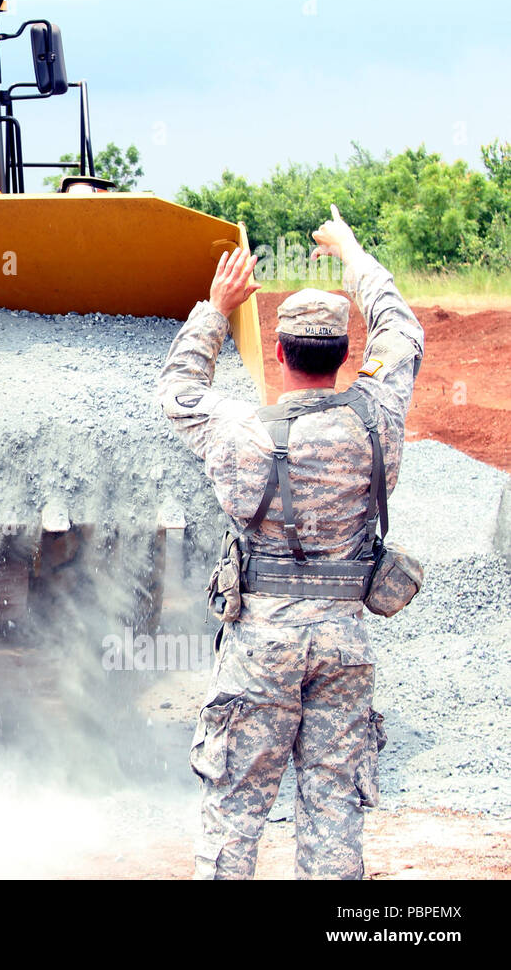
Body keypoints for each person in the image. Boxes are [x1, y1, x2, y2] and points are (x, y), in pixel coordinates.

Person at [156, 207, 424, 879]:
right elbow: (403, 330)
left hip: (259, 647)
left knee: (233, 812)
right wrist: (352, 253)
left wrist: (216, 309)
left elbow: (179, 389)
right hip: (343, 639)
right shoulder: (378, 416)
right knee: (334, 813)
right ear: (344, 354)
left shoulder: (241, 428)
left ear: (278, 353)